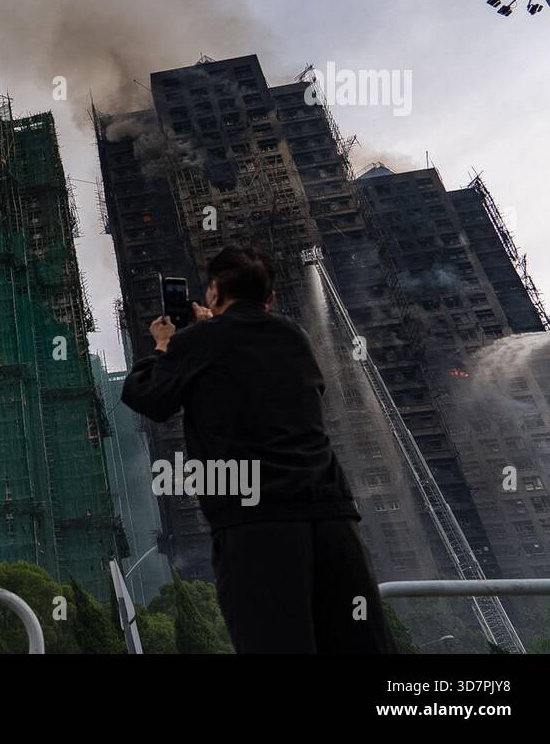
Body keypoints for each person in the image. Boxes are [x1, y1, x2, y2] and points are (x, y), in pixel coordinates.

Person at [121, 246, 395, 653]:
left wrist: (164, 344)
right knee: (359, 643)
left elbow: (147, 397)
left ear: (213, 293)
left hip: (257, 527)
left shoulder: (197, 342)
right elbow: (248, 363)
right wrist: (208, 331)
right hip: (332, 519)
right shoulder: (294, 337)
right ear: (270, 299)